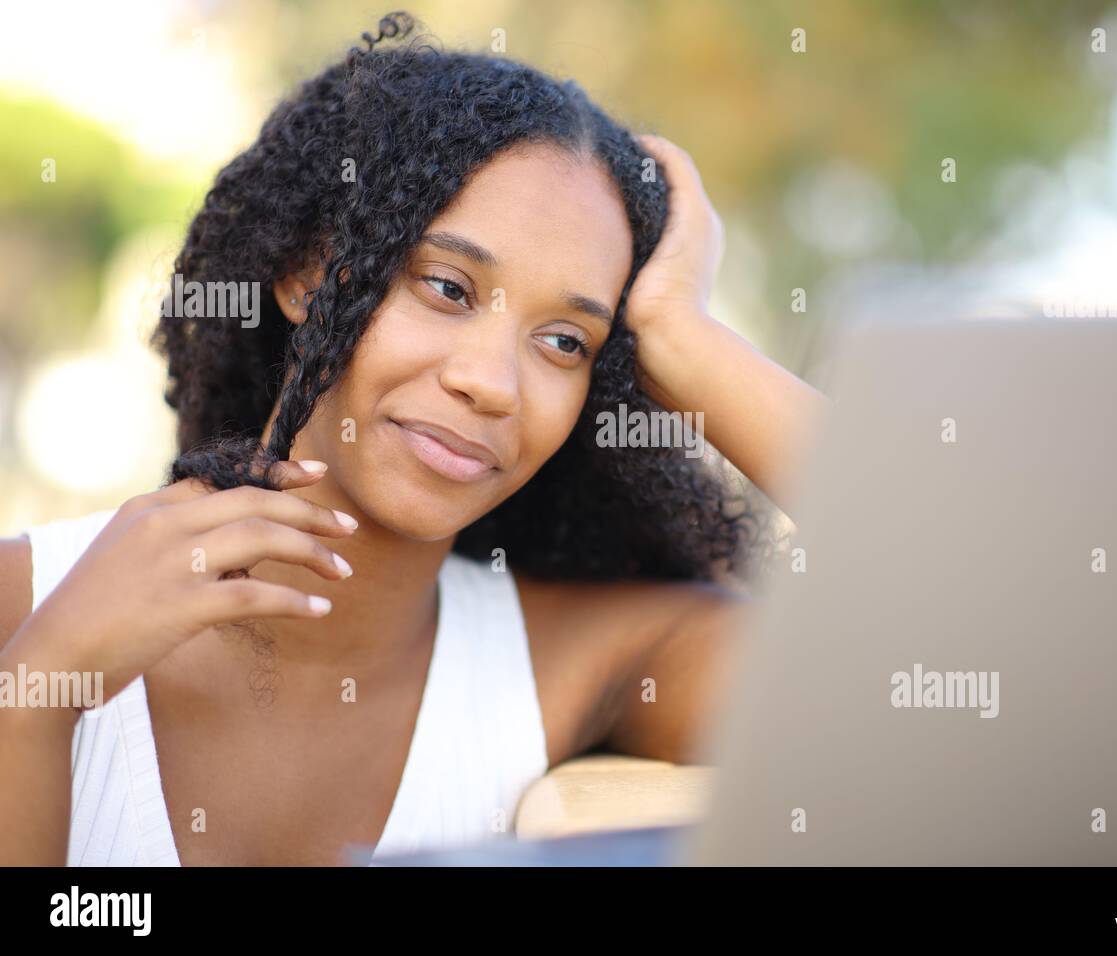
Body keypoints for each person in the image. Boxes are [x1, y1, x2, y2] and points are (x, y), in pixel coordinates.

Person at [0, 12, 827, 865]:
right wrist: (37, 691)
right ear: (307, 272)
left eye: (565, 341)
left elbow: (944, 682)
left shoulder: (583, 661)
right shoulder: (25, 603)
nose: (493, 383)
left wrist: (683, 338)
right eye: (447, 287)